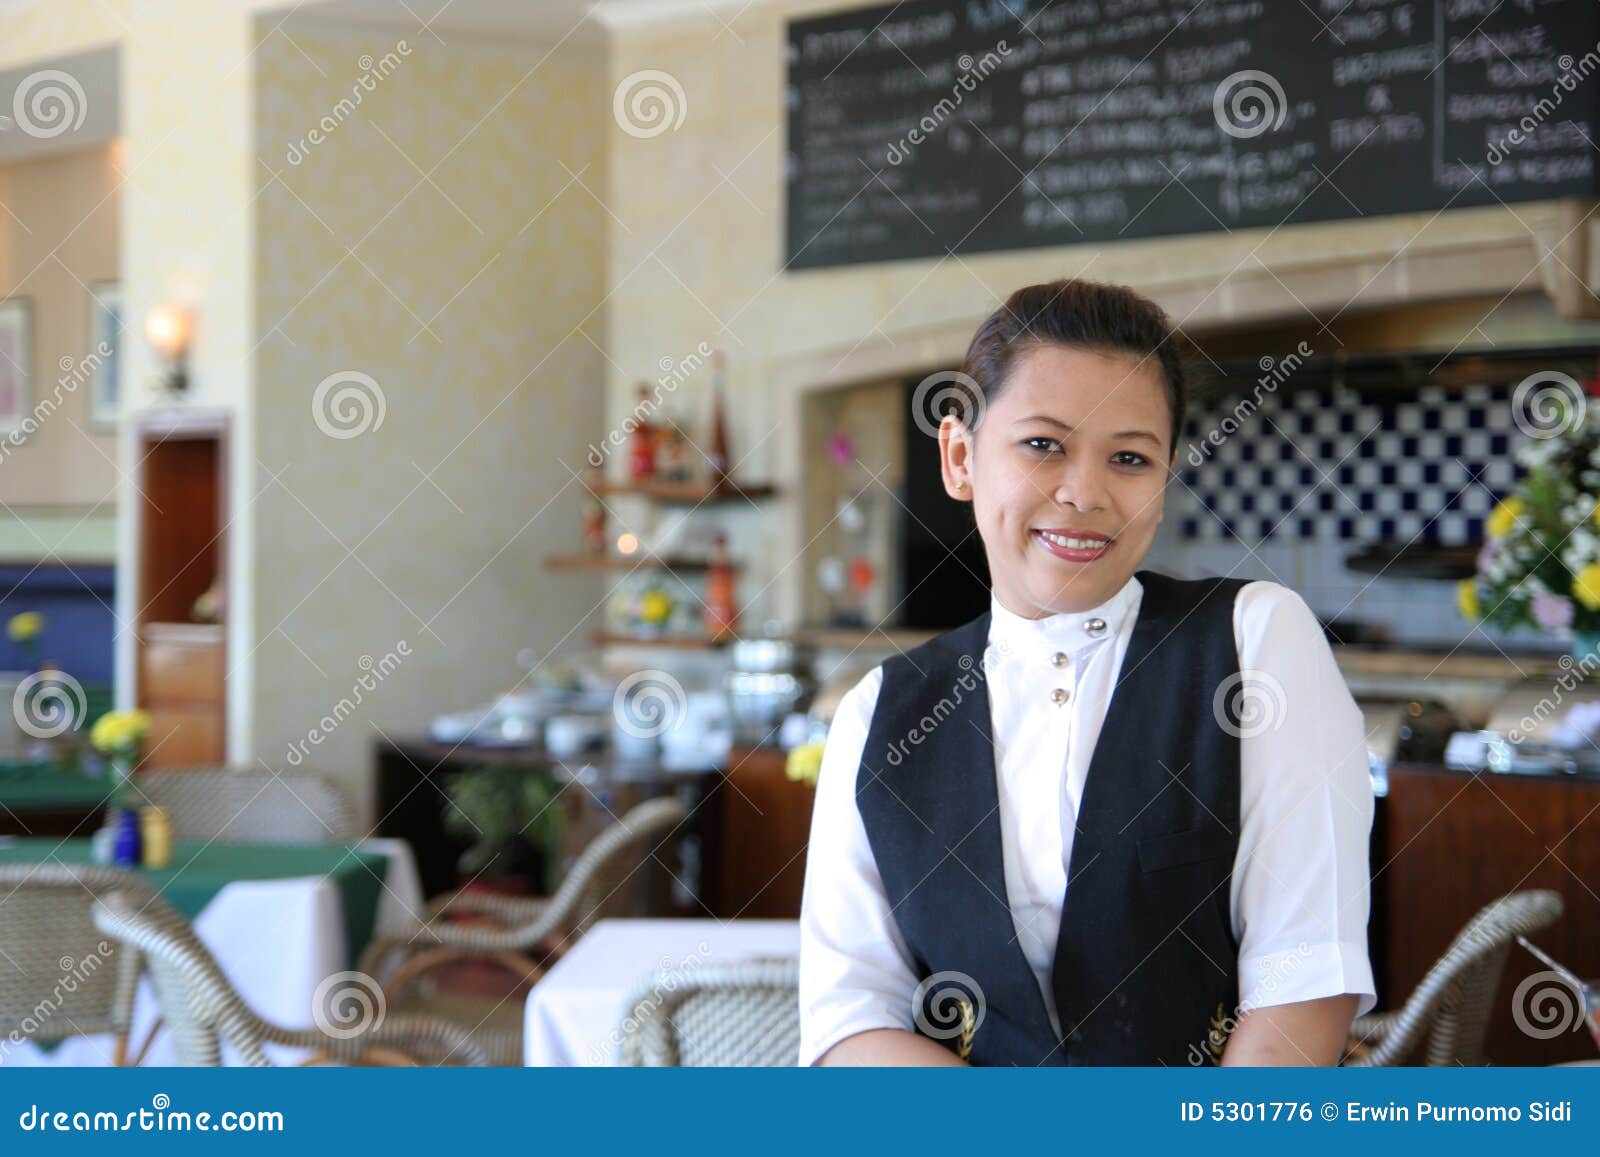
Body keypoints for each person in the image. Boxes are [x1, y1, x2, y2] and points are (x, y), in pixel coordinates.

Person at [798, 278, 1375, 1067]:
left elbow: (1307, 977)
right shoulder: (879, 713)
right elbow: (850, 1019)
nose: (1085, 493)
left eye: (1130, 458)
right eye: (1043, 444)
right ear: (960, 455)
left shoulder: (1254, 643)